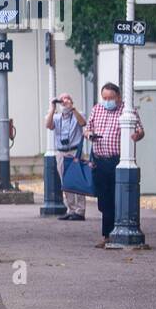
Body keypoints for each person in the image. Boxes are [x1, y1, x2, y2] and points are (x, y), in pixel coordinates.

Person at [85, 82, 143, 246]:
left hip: (117, 161)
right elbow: (87, 128)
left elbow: (140, 130)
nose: (107, 100)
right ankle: (108, 233)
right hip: (99, 161)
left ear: (118, 97)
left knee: (117, 198)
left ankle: (110, 234)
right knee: (103, 200)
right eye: (104, 98)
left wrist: (137, 136)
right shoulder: (97, 109)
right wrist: (89, 135)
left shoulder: (127, 111)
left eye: (110, 98)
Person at [46, 92, 86, 220]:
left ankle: (80, 211)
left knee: (78, 181)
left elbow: (83, 123)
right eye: (62, 99)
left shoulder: (78, 114)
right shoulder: (57, 117)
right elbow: (48, 125)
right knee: (66, 182)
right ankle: (71, 209)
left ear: (72, 102)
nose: (64, 101)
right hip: (61, 152)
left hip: (75, 151)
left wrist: (72, 108)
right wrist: (52, 108)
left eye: (67, 98)